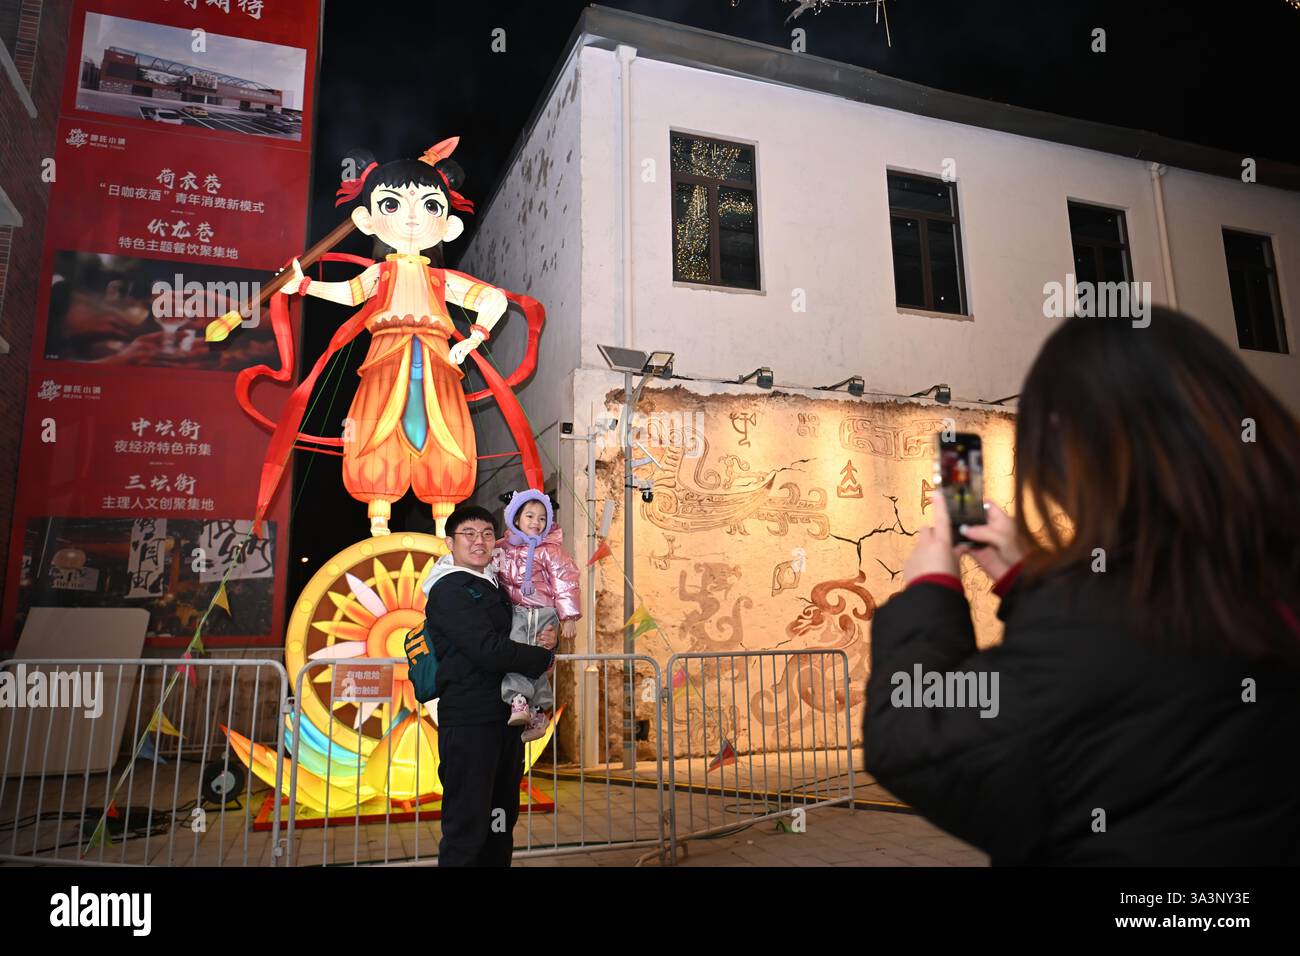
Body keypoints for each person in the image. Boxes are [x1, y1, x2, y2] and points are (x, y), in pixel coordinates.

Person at [863, 307, 1300, 865]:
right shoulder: (1253, 572)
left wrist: (932, 591)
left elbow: (914, 738)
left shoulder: (1108, 622)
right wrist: (1027, 580)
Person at [421, 503, 557, 866]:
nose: (479, 541)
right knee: (468, 823)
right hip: (469, 722)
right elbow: (486, 650)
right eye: (469, 534)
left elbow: (513, 634)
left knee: (500, 819)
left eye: (486, 534)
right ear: (450, 542)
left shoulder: (495, 585)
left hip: (504, 720)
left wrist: (542, 636)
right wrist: (541, 659)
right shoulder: (448, 590)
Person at [493, 489, 582, 742]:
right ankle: (538, 710)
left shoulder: (550, 550)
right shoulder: (502, 547)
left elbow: (566, 580)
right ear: (515, 518)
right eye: (529, 516)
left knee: (521, 652)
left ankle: (518, 699)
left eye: (542, 518)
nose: (536, 522)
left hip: (540, 611)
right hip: (517, 611)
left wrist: (569, 617)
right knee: (535, 660)